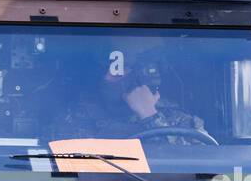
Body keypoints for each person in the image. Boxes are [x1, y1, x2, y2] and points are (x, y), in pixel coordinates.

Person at [59, 55, 209, 143]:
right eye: (115, 74)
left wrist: (149, 115)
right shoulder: (77, 116)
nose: (124, 80)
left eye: (130, 74)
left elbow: (201, 166)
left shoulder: (176, 119)